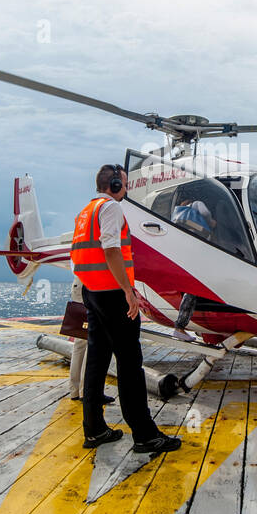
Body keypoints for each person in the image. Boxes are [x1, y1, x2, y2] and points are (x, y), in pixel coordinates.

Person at [70, 164, 181, 454]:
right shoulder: (111, 209)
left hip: (92, 292)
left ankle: (94, 429)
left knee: (96, 361)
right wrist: (128, 291)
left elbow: (82, 255)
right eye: (125, 183)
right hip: (112, 295)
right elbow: (110, 249)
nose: (127, 188)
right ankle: (145, 435)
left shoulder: (86, 212)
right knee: (130, 364)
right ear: (116, 184)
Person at [67, 276, 113, 404]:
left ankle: (74, 390)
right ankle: (86, 391)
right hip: (92, 285)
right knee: (91, 343)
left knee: (79, 343)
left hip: (78, 284)